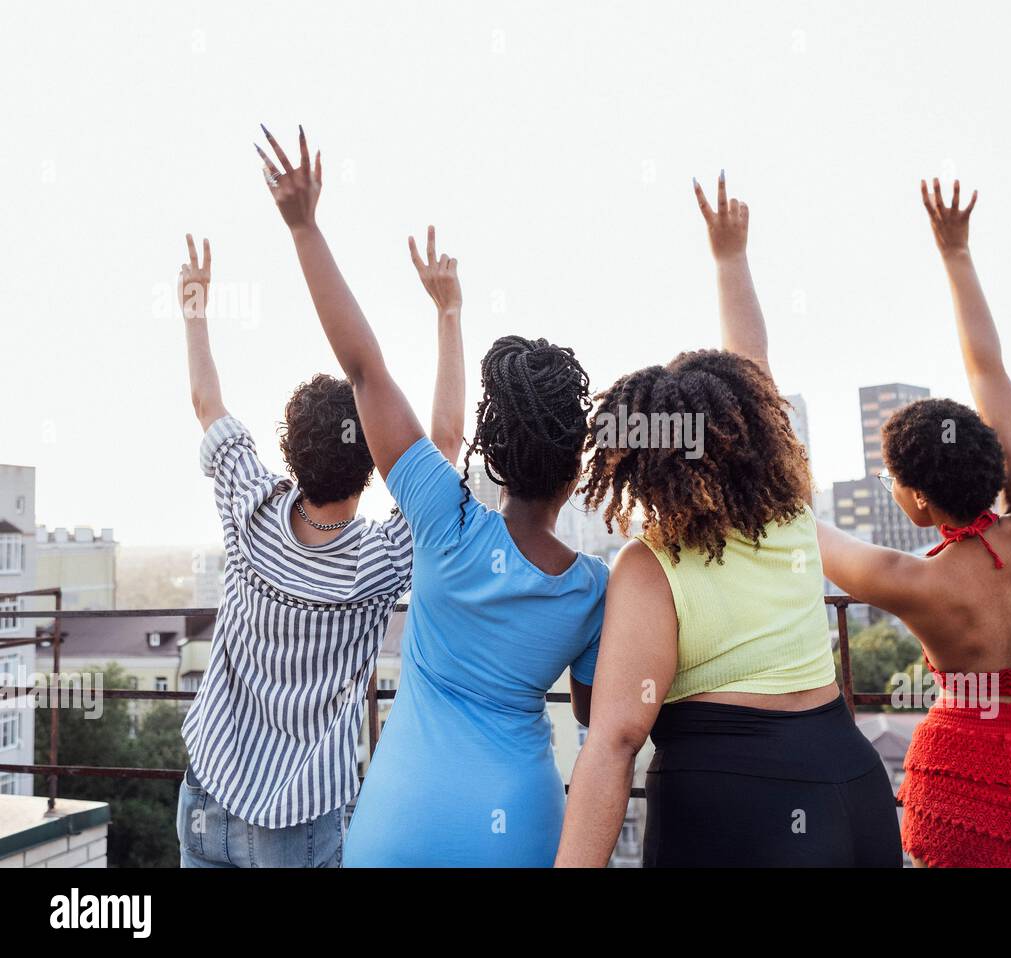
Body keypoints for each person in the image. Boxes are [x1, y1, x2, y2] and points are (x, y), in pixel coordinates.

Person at [253, 125, 607, 866]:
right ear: (576, 471)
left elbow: (364, 369)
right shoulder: (592, 592)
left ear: (493, 459)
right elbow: (591, 714)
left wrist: (305, 226)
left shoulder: (443, 518)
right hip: (523, 829)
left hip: (400, 828)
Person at [555, 173, 902, 868]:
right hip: (857, 789)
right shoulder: (792, 512)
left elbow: (615, 742)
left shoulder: (651, 563)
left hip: (738, 812)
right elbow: (755, 367)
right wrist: (730, 258)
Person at [814, 179, 1011, 867]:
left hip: (960, 771)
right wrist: (956, 252)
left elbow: (793, 520)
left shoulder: (910, 581)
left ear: (919, 501)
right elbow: (987, 368)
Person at [174, 233, 413, 867]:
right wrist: (449, 314)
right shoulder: (379, 563)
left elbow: (207, 403)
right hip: (295, 823)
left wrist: (195, 310)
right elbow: (440, 452)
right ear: (369, 466)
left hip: (208, 792)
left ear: (290, 452)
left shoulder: (249, 504)